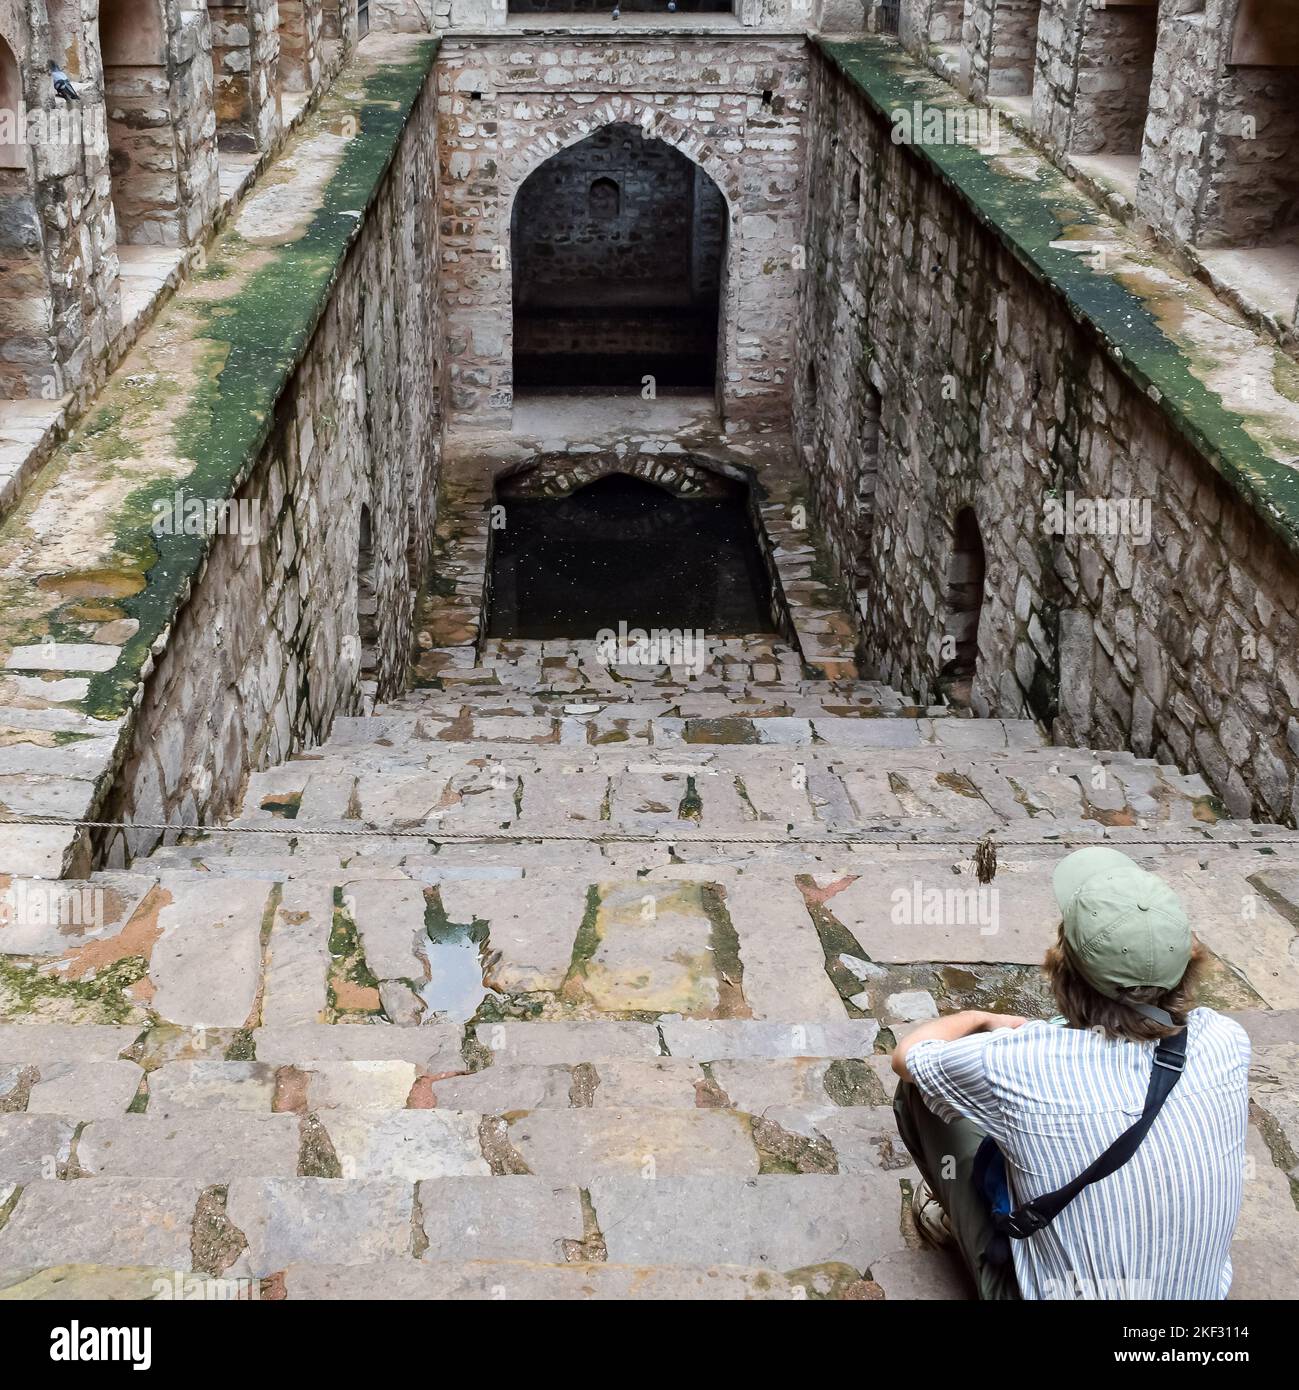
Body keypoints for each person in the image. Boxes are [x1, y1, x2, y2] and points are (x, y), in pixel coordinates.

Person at [891, 846, 1251, 1300]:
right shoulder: (1226, 1039)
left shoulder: (1016, 1061)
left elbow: (908, 1056)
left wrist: (982, 1019)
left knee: (918, 1093)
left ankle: (964, 1229)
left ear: (1064, 973)